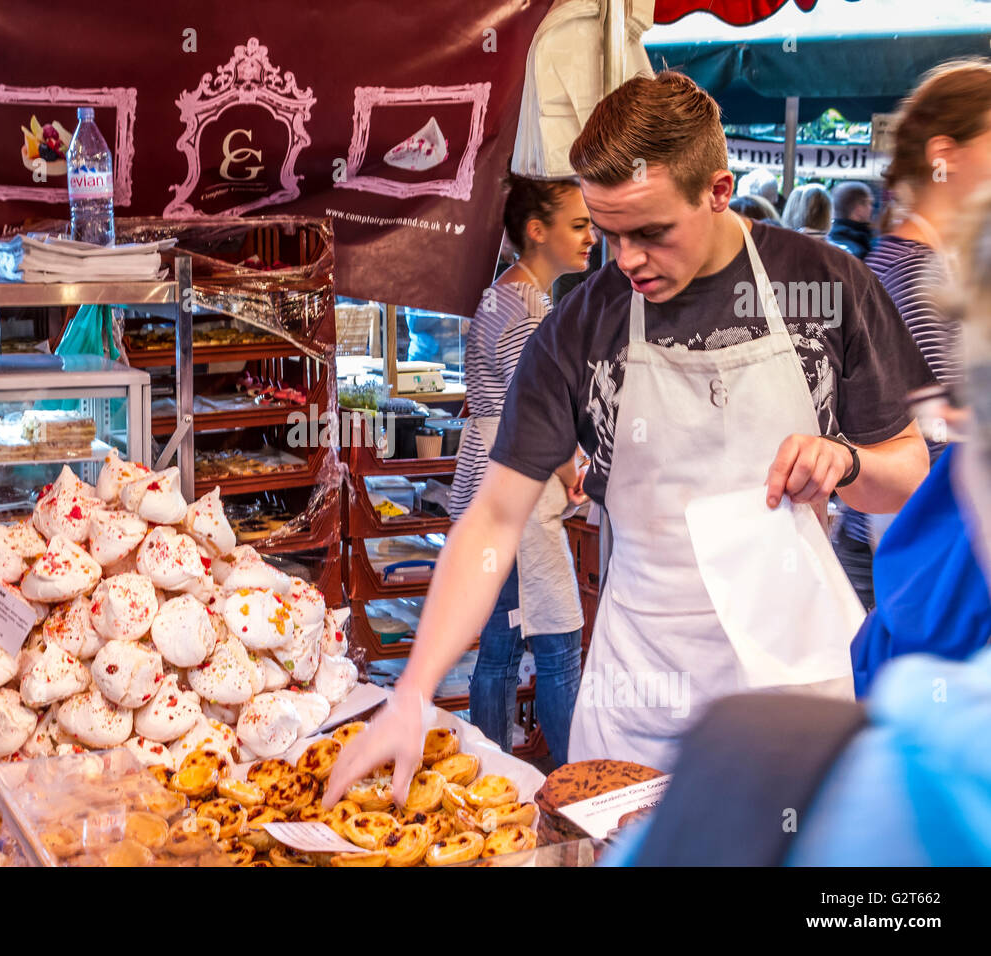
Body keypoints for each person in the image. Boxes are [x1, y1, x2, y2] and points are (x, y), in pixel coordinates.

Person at [324, 71, 931, 806]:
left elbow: (908, 471)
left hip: (795, 691)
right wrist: (414, 691)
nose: (628, 261)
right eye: (608, 235)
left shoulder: (827, 286)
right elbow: (494, 518)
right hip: (642, 701)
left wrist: (846, 460)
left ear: (718, 189)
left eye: (651, 232)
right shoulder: (582, 325)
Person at [607, 182, 991, 867]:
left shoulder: (904, 766)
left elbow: (905, 491)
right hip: (641, 669)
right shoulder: (590, 318)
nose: (629, 256)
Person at [832, 58, 991, 609]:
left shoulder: (927, 264)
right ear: (944, 156)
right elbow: (936, 446)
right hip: (908, 572)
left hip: (911, 564)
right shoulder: (915, 276)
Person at [450, 174, 594, 761]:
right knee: (560, 641)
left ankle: (489, 769)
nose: (591, 236)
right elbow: (529, 408)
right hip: (520, 488)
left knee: (502, 643)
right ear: (538, 231)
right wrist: (570, 469)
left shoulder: (501, 294)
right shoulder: (529, 307)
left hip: (488, 479)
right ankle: (571, 786)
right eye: (579, 225)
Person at [827, 180, 875, 259]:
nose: (871, 208)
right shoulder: (861, 252)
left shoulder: (826, 243)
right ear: (858, 209)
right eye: (870, 203)